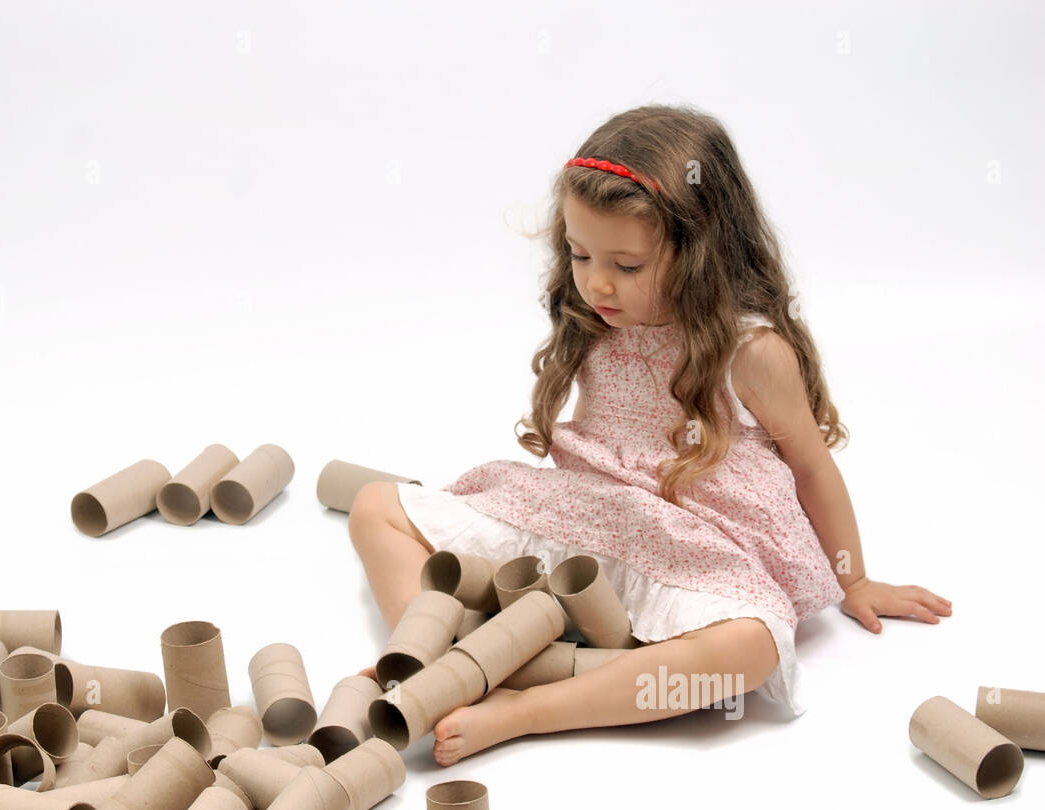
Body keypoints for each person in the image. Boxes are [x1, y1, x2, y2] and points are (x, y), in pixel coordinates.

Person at [348, 104, 951, 767]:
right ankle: (427, 657)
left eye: (627, 265)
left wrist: (855, 581)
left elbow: (811, 464)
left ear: (699, 254)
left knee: (750, 647)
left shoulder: (749, 350)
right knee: (377, 506)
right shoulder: (595, 316)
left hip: (693, 544)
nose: (597, 282)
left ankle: (528, 707)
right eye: (579, 253)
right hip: (589, 514)